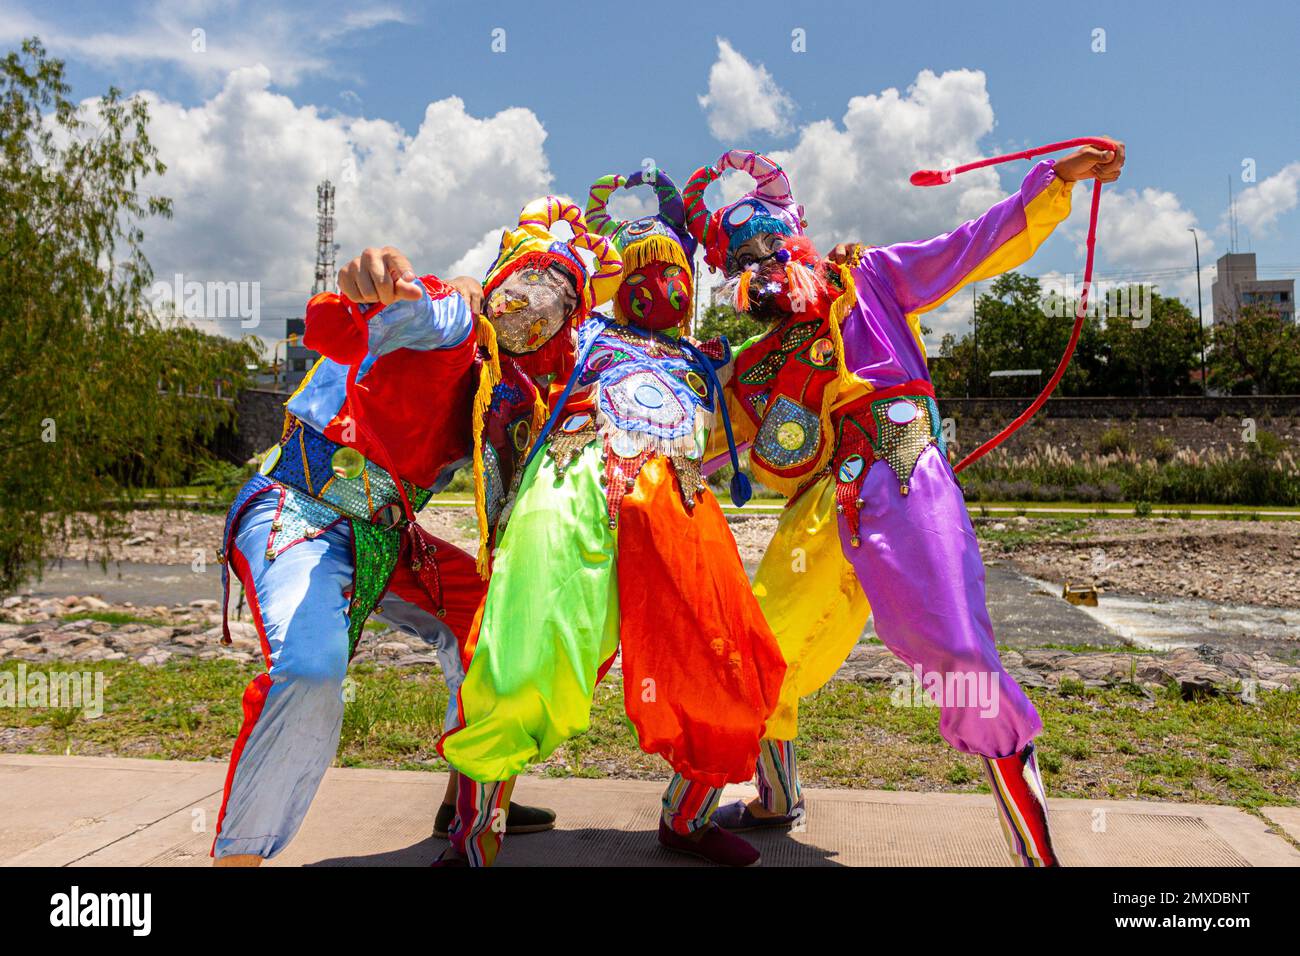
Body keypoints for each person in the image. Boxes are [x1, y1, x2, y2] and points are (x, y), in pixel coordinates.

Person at [683, 143, 1123, 866]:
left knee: (957, 654)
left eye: (769, 244)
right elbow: (716, 443)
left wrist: (1052, 182)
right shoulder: (753, 365)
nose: (758, 266)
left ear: (798, 233)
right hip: (821, 510)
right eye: (741, 261)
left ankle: (1037, 857)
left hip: (901, 471)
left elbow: (968, 248)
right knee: (761, 644)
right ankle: (766, 795)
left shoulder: (871, 278)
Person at [211, 196, 620, 864]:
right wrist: (376, 283)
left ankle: (473, 801)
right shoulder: (455, 318)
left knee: (495, 629)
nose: (538, 302)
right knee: (311, 670)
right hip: (301, 510)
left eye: (562, 294)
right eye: (532, 276)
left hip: (387, 538)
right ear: (501, 275)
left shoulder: (519, 387)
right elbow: (406, 307)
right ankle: (239, 860)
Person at [435, 168, 785, 867]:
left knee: (726, 664)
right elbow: (517, 316)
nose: (664, 281)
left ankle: (686, 820)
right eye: (644, 266)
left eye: (677, 269)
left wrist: (819, 271)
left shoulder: (709, 362)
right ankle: (475, 836)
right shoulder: (579, 332)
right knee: (524, 650)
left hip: (681, 505)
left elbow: (794, 348)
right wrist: (539, 244)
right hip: (573, 484)